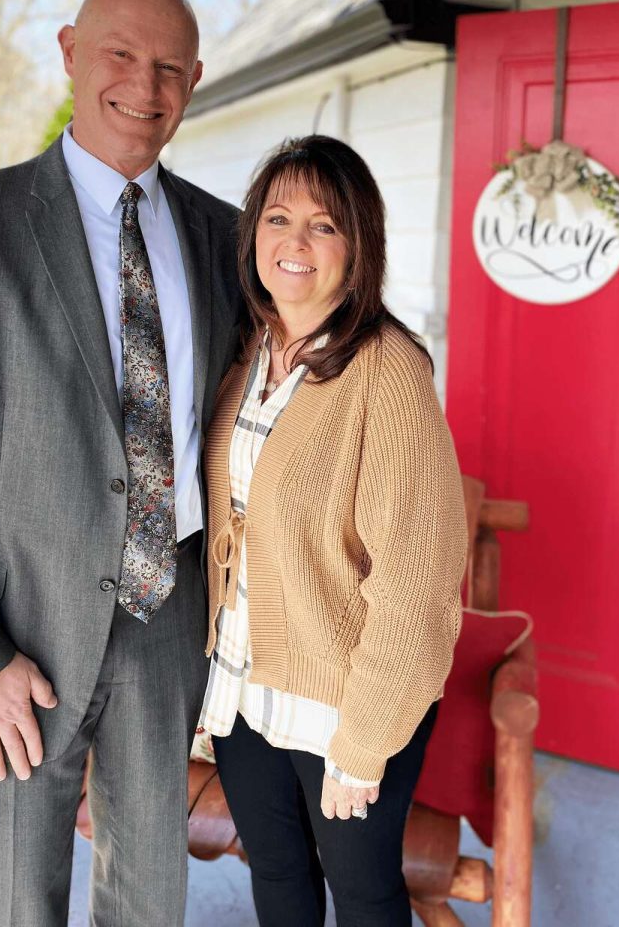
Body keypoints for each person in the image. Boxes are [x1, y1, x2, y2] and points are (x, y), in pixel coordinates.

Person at [0, 0, 241, 926]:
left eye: (169, 67)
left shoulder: (226, 237)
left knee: (151, 892)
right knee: (8, 900)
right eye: (120, 55)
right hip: (14, 643)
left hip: (171, 624)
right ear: (72, 50)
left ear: (194, 79)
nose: (144, 86)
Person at [199, 135, 468, 926]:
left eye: (323, 224)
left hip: (343, 701)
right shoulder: (251, 349)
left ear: (358, 245)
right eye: (278, 217)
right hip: (246, 685)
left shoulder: (386, 371)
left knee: (363, 895)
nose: (294, 241)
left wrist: (365, 740)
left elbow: (416, 582)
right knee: (277, 878)